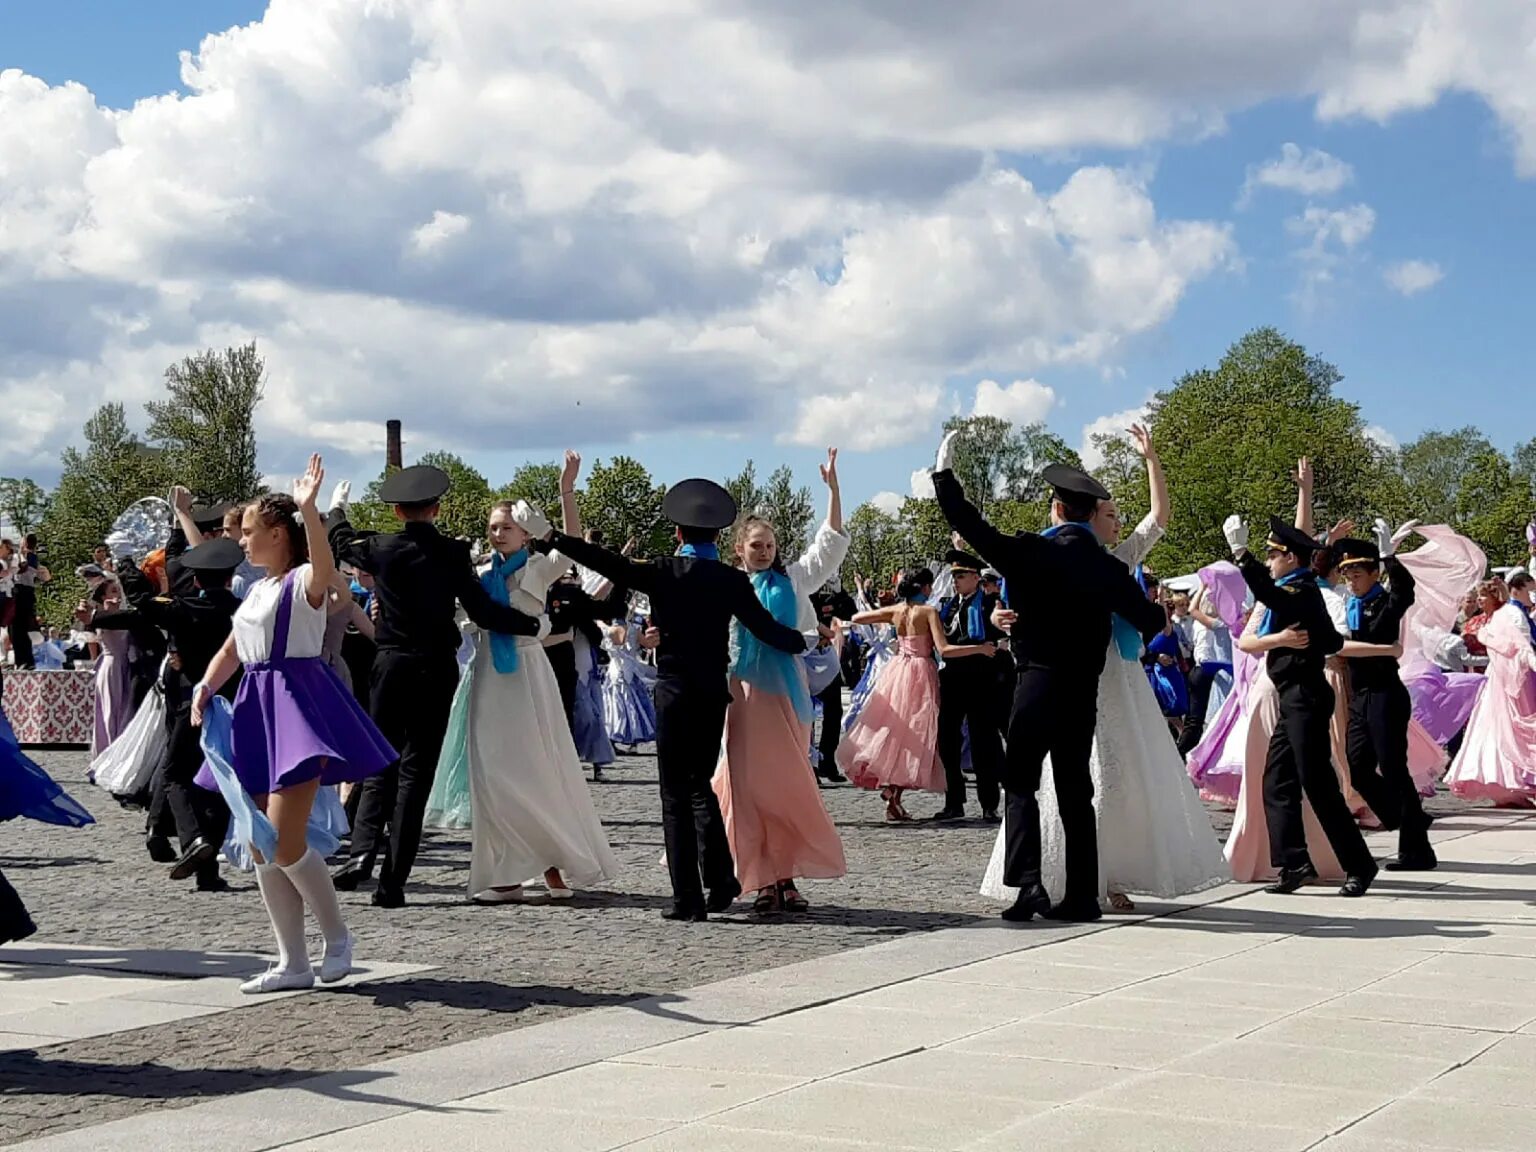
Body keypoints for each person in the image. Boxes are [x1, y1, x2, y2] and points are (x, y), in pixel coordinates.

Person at [537, 477, 808, 922]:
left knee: (674, 795)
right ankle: (721, 878)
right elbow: (767, 629)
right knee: (700, 785)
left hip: (674, 688)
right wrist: (804, 642)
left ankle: (688, 897)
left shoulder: (662, 570)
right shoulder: (730, 579)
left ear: (679, 533)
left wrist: (553, 537)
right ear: (719, 537)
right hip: (711, 693)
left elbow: (605, 562)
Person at [980, 423, 1226, 913]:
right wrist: (999, 616)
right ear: (1090, 515)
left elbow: (1157, 520)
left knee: (1114, 777)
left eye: (1117, 516)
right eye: (1110, 514)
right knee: (1071, 780)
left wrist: (1152, 460)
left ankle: (1105, 874)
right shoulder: (1056, 557)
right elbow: (1018, 600)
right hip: (1079, 673)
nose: (1116, 523)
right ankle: (1063, 877)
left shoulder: (1116, 559)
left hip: (1111, 674)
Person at [931, 432, 1165, 922]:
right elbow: (1150, 621)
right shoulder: (1106, 568)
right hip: (1082, 690)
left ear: (1056, 508)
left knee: (1020, 784)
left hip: (1036, 681)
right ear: (1085, 514)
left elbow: (971, 525)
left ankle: (1030, 884)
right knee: (1076, 791)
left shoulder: (1030, 553)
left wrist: (944, 476)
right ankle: (1081, 896)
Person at [190, 460, 396, 993]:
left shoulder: (304, 581)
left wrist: (311, 511)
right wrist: (207, 686)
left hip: (295, 706)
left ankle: (338, 936)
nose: (243, 540)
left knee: (283, 840)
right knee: (261, 843)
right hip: (257, 707)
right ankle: (292, 962)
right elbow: (234, 649)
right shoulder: (255, 591)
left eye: (251, 531)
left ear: (278, 534)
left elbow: (324, 567)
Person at [327, 465, 549, 908]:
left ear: (396, 510)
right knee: (416, 772)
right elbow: (483, 612)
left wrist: (336, 509)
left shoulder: (382, 548)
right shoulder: (452, 552)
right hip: (435, 666)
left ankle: (360, 855)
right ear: (437, 508)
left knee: (381, 764)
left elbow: (339, 540)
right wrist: (530, 623)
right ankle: (393, 880)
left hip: (390, 664)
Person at [432, 451, 619, 903]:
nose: (498, 534)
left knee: (539, 765)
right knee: (492, 771)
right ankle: (510, 869)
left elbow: (572, 540)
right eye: (493, 527)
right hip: (487, 674)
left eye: (507, 527)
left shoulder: (539, 567)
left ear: (524, 532)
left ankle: (553, 862)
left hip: (527, 670)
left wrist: (566, 490)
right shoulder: (478, 574)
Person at [710, 450, 851, 912]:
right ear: (738, 549)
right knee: (749, 788)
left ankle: (788, 874)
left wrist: (832, 491)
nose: (764, 551)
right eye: (756, 545)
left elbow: (828, 547)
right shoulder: (728, 585)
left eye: (769, 544)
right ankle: (761, 877)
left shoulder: (792, 579)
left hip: (785, 695)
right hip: (741, 696)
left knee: (787, 785)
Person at [1222, 514, 1377, 896]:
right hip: (1295, 696)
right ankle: (1295, 862)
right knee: (1277, 781)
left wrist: (1241, 555)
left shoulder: (1301, 589)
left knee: (1318, 784)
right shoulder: (1300, 590)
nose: (1270, 560)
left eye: (1273, 554)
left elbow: (1272, 596)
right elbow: (1328, 641)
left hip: (1304, 697)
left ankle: (1359, 865)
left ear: (1291, 557)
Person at [113, 536, 244, 890]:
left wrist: (125, 561)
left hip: (192, 702)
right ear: (231, 577)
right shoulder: (243, 608)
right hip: (234, 703)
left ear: (197, 580)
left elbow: (141, 600)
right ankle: (208, 872)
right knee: (217, 782)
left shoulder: (183, 607)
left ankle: (193, 840)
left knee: (175, 775)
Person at [838, 570, 992, 821]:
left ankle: (894, 797)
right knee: (918, 734)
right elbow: (945, 649)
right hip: (921, 671)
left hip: (898, 669)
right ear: (925, 588)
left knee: (898, 732)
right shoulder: (928, 612)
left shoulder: (897, 611)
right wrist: (980, 649)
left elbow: (857, 616)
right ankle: (895, 793)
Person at [1334, 528, 1435, 870]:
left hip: (1385, 694)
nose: (1351, 580)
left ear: (1374, 574)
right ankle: (1406, 817)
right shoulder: (1350, 604)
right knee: (1358, 767)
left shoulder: (1383, 601)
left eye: (1357, 574)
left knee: (1394, 770)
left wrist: (1390, 557)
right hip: (1360, 696)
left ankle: (1416, 851)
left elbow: (1405, 592)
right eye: (1347, 574)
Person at [1445, 578, 1536, 807]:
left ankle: (1517, 783)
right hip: (1496, 679)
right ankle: (1503, 787)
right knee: (1492, 731)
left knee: (1512, 730)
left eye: (1484, 596)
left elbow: (1521, 646)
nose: (1480, 600)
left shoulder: (1509, 615)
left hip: (1512, 681)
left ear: (1495, 595)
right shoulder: (1489, 618)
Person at [932, 549, 1006, 821]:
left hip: (981, 681)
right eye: (954, 576)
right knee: (948, 741)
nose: (956, 581)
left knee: (983, 742)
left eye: (961, 576)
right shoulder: (950, 605)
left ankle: (989, 803)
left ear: (976, 578)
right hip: (953, 678)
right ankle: (954, 801)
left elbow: (1000, 638)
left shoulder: (989, 604)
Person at [809, 580, 858, 783]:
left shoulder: (828, 598)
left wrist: (840, 591)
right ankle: (809, 763)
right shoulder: (800, 594)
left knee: (834, 711)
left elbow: (850, 614)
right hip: (805, 656)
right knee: (806, 715)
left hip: (825, 656)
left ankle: (827, 761)